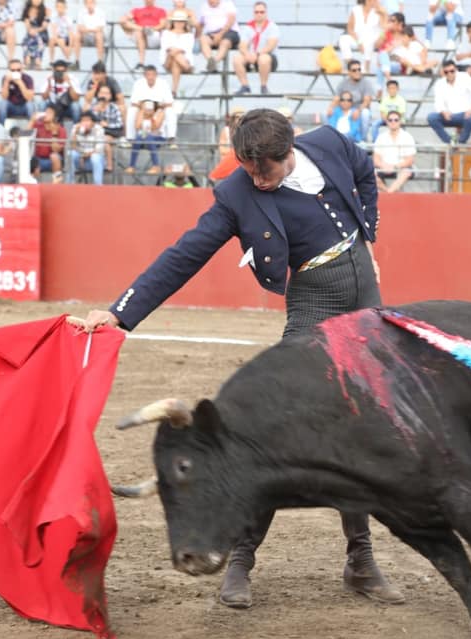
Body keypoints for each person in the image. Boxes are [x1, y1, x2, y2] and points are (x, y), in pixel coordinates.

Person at [79, 108, 401, 612]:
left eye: (264, 170)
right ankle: (241, 559)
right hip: (313, 307)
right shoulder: (236, 193)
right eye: (248, 168)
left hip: (366, 305)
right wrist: (121, 313)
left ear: (288, 151)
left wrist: (369, 231)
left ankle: (360, 560)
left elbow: (363, 169)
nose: (256, 178)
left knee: (356, 429)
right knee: (279, 429)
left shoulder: (331, 143)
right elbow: (184, 254)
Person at [427, 59, 471, 144]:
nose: (449, 74)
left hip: (465, 114)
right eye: (446, 72)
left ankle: (461, 142)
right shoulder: (440, 84)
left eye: (452, 71)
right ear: (443, 72)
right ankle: (450, 142)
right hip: (449, 115)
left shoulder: (465, 78)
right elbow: (438, 102)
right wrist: (443, 112)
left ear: (456, 70)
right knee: (432, 117)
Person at [233, 1, 280, 95]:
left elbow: (271, 45)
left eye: (261, 12)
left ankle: (263, 86)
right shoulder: (247, 27)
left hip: (268, 58)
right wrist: (247, 54)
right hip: (251, 57)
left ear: (266, 13)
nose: (259, 14)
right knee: (237, 58)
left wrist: (257, 54)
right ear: (253, 13)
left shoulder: (272, 27)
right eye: (256, 12)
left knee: (264, 59)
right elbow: (242, 45)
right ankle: (245, 86)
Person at [327, 60, 375, 139]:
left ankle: (362, 139)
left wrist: (358, 111)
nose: (357, 72)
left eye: (359, 69)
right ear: (349, 72)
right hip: (344, 109)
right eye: (354, 70)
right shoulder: (343, 83)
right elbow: (337, 98)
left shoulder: (366, 83)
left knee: (365, 114)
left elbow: (367, 101)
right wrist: (331, 107)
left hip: (360, 109)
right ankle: (332, 137)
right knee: (329, 113)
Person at [127, 65, 177, 140]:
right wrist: (144, 106)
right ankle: (130, 138)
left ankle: (171, 138)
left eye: (153, 75)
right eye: (148, 75)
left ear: (156, 75)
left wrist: (156, 106)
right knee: (132, 110)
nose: (150, 77)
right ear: (144, 75)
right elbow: (133, 102)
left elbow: (169, 103)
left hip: (159, 109)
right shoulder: (138, 83)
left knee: (170, 110)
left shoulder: (163, 83)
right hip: (142, 109)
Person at [372, 110, 415, 192]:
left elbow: (410, 160)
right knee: (369, 174)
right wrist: (383, 166)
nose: (393, 122)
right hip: (383, 166)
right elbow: (376, 158)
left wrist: (395, 166)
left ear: (400, 122)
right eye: (390, 120)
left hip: (401, 167)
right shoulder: (381, 137)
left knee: (406, 172)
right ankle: (389, 192)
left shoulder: (407, 137)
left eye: (396, 120)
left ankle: (389, 193)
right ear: (387, 122)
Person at [338, 0, 386, 73]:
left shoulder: (379, 12)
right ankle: (350, 64)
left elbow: (384, 29)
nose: (377, 1)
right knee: (343, 39)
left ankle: (366, 68)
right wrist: (359, 42)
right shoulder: (356, 10)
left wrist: (384, 14)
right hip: (358, 38)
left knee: (369, 41)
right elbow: (350, 28)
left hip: (374, 39)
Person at [120, 0, 168, 70]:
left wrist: (152, 29)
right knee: (135, 29)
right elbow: (122, 20)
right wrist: (127, 17)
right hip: (140, 33)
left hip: (153, 34)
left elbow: (162, 24)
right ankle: (141, 62)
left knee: (139, 32)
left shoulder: (160, 10)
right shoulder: (136, 10)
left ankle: (141, 62)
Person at [160, 9, 196, 93]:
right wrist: (176, 51)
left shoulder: (189, 35)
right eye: (177, 21)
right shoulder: (166, 33)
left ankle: (174, 90)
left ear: (185, 23)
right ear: (173, 22)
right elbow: (166, 47)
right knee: (173, 54)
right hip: (168, 60)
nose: (179, 23)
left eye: (181, 21)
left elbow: (187, 48)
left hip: (182, 59)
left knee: (175, 61)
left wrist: (176, 51)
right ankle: (187, 67)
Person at [199, 0, 240, 72]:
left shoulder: (228, 4)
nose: (211, 1)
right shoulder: (204, 6)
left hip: (229, 31)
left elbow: (231, 20)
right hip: (211, 33)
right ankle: (210, 60)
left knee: (225, 43)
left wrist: (220, 34)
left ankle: (215, 61)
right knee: (203, 39)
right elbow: (201, 24)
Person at [126, 100, 166, 173]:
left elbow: (155, 128)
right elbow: (137, 126)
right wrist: (142, 112)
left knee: (148, 137)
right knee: (138, 138)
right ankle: (131, 166)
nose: (148, 107)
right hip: (143, 137)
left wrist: (151, 117)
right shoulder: (140, 113)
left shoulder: (160, 113)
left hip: (158, 137)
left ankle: (156, 166)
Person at [31, 104, 66, 182]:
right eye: (46, 112)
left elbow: (56, 150)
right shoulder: (38, 125)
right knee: (29, 160)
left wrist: (54, 133)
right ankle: (31, 186)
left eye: (49, 112)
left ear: (55, 117)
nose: (46, 114)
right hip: (38, 159)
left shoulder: (60, 129)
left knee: (54, 156)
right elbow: (24, 136)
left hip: (53, 160)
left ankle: (57, 182)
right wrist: (32, 120)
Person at [69, 111, 106, 184]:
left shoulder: (98, 129)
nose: (85, 123)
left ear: (93, 122)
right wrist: (75, 133)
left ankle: (98, 187)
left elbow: (98, 149)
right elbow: (72, 146)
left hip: (94, 161)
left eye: (87, 120)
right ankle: (70, 184)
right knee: (71, 154)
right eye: (83, 120)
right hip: (79, 160)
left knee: (95, 157)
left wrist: (84, 156)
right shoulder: (76, 128)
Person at [41, 59, 83, 123]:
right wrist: (49, 84)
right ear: (54, 70)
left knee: (76, 106)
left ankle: (76, 128)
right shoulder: (49, 78)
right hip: (52, 106)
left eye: (62, 71)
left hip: (66, 106)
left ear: (66, 71)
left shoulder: (72, 79)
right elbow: (44, 97)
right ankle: (42, 128)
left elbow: (76, 98)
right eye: (58, 71)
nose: (60, 73)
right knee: (42, 104)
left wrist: (69, 83)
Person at [0, 59, 36, 124]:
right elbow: (4, 97)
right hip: (11, 107)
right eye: (13, 70)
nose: (16, 72)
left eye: (18, 70)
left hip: (24, 106)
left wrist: (20, 83)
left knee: (30, 104)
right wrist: (7, 82)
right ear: (9, 71)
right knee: (2, 103)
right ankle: (1, 129)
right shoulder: (5, 78)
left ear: (22, 69)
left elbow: (29, 98)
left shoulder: (28, 78)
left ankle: (31, 129)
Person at [21, 0, 51, 69]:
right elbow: (27, 26)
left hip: (42, 33)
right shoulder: (27, 11)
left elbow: (44, 26)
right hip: (30, 33)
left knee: (39, 40)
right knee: (26, 41)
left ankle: (36, 60)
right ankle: (28, 59)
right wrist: (31, 31)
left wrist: (36, 30)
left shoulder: (46, 10)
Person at [49, 0, 79, 67]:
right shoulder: (54, 17)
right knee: (53, 40)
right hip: (58, 36)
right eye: (58, 7)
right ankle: (52, 60)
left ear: (65, 8)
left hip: (67, 37)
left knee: (74, 38)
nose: (60, 9)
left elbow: (70, 32)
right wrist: (57, 38)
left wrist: (70, 46)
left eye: (62, 7)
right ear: (56, 8)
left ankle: (73, 59)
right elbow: (54, 31)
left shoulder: (68, 18)